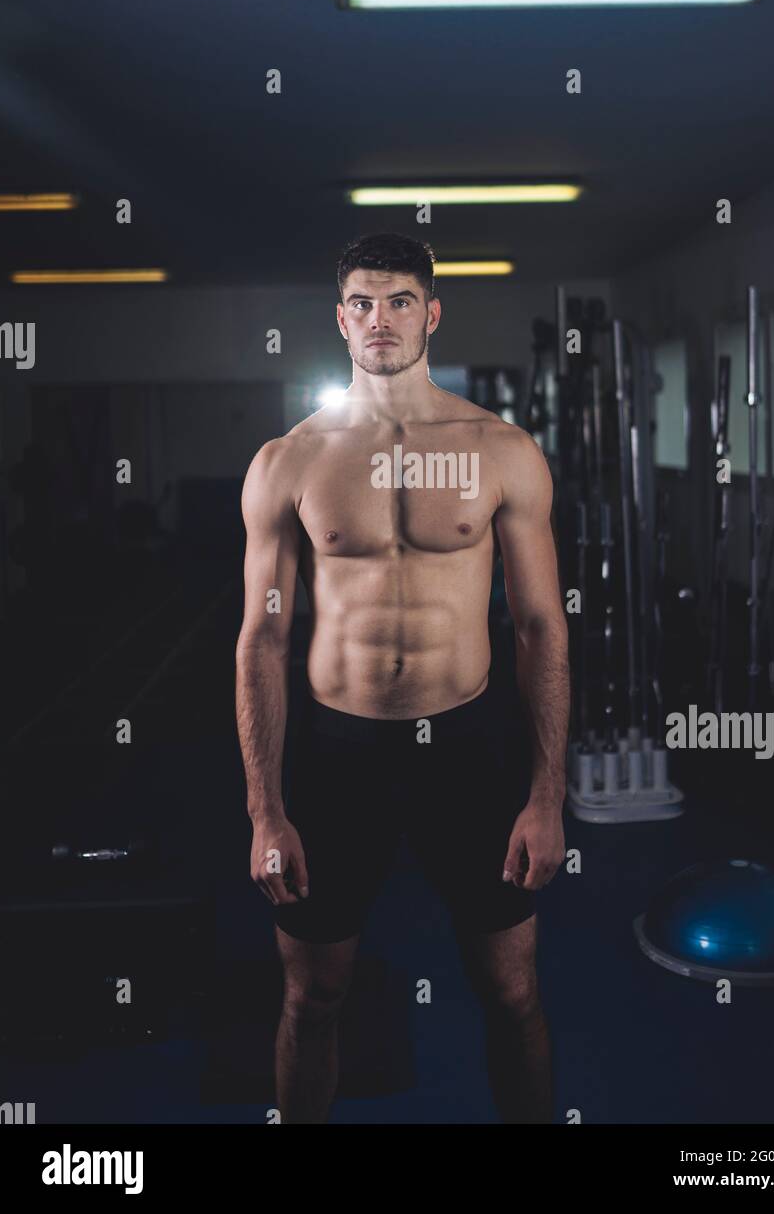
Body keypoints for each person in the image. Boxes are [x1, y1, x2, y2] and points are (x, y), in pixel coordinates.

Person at [235, 232, 569, 1123]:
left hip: (467, 744)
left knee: (513, 991)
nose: (378, 319)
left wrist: (546, 795)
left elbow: (540, 627)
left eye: (398, 301)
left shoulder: (502, 450)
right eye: (360, 302)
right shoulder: (287, 461)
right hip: (336, 752)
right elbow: (260, 641)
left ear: (432, 312)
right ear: (339, 318)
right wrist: (266, 809)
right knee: (314, 997)